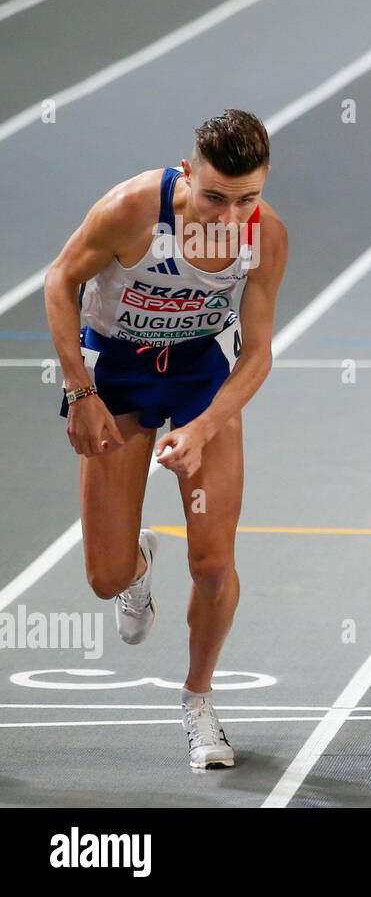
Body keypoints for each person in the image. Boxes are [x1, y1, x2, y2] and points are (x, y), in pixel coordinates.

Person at [43, 109, 289, 767]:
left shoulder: (264, 237)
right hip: (118, 376)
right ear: (188, 175)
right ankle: (136, 571)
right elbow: (59, 281)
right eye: (214, 197)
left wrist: (206, 426)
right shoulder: (132, 211)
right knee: (104, 576)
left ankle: (199, 700)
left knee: (212, 564)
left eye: (247, 199)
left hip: (198, 382)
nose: (228, 216)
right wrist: (79, 390)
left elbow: (258, 354)